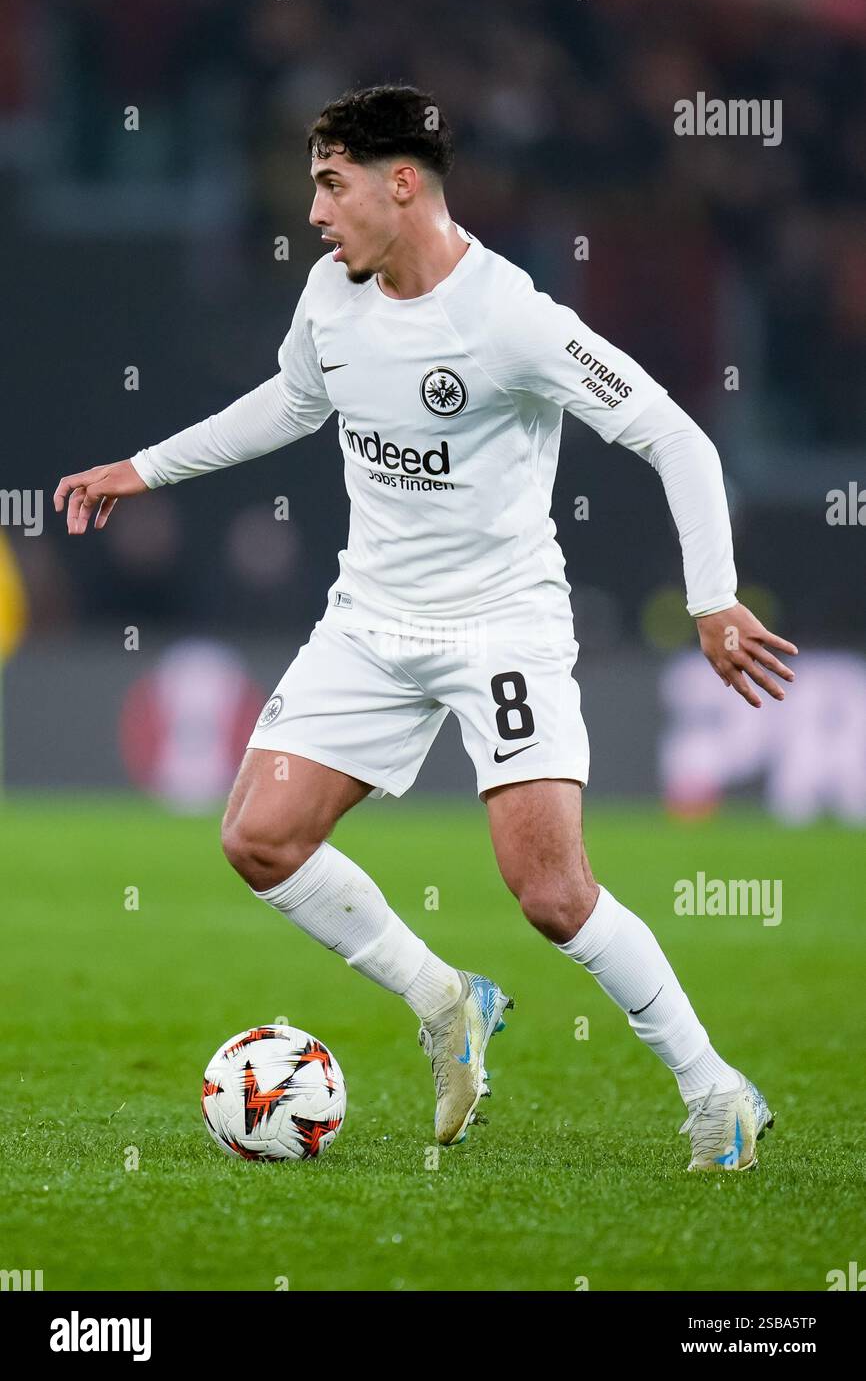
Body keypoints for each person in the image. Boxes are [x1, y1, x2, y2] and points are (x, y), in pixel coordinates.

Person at [55, 84, 797, 1167]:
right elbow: (292, 399)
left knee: (548, 891)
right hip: (368, 617)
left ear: (399, 183)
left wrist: (710, 597)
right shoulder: (329, 293)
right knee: (257, 838)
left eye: (330, 184)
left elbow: (676, 436)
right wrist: (146, 467)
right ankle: (444, 999)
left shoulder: (511, 319)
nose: (313, 212)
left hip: (501, 626)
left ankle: (713, 1089)